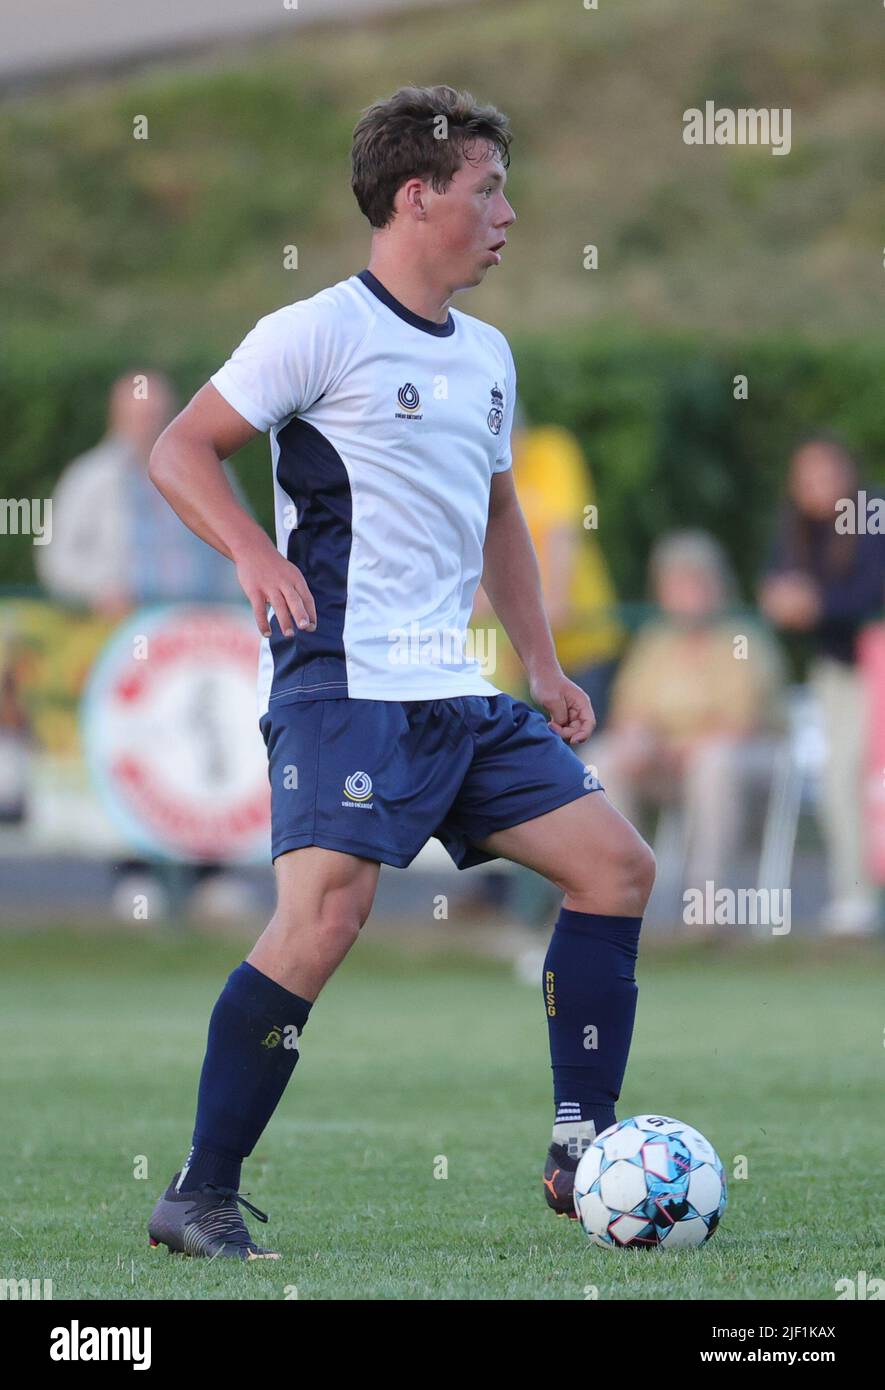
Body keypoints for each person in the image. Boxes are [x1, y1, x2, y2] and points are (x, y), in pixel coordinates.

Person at [145, 85, 655, 1261]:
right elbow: (182, 448)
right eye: (488, 191)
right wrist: (252, 549)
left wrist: (541, 660)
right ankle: (199, 1193)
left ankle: (584, 1142)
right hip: (343, 682)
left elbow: (499, 517)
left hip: (457, 695)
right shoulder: (317, 328)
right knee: (323, 919)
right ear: (417, 196)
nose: (509, 215)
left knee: (616, 866)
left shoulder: (487, 356)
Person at [593, 531, 787, 895]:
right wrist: (639, 737)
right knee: (602, 758)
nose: (687, 596)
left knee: (713, 762)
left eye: (695, 584)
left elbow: (745, 721)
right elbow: (629, 708)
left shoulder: (742, 641)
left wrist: (683, 747)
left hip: (745, 760)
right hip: (670, 762)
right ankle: (621, 888)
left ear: (717, 586)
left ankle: (709, 900)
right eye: (676, 586)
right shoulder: (655, 642)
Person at [760, 435, 885, 935]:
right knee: (839, 781)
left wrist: (816, 604)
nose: (815, 486)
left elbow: (869, 592)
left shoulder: (872, 513)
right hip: (839, 673)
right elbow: (778, 586)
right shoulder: (798, 530)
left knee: (864, 779)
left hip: (876, 667)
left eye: (824, 472)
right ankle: (854, 896)